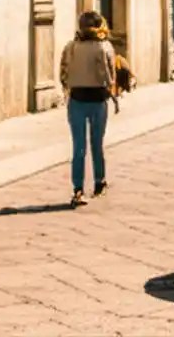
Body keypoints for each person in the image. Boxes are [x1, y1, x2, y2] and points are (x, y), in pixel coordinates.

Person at [59, 11, 117, 207]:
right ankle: (99, 182)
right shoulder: (105, 46)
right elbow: (109, 77)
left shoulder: (71, 47)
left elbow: (63, 74)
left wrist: (71, 84)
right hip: (98, 100)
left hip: (76, 100)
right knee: (97, 144)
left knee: (78, 147)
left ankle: (78, 189)